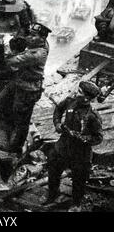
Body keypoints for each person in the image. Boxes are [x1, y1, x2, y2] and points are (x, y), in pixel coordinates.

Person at [0, 22, 51, 156]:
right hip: (19, 81)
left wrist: (6, 44)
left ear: (42, 38)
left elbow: (10, 61)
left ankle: (14, 148)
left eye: (33, 35)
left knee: (21, 121)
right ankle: (7, 128)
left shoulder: (37, 54)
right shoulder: (39, 44)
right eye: (29, 34)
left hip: (28, 89)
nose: (29, 37)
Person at [44, 81, 103, 212]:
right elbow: (58, 109)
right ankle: (52, 196)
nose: (76, 93)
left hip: (80, 152)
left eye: (80, 92)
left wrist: (84, 138)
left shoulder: (93, 116)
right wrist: (57, 124)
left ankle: (76, 204)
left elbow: (98, 137)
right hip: (63, 146)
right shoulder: (71, 100)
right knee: (53, 171)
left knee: (79, 179)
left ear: (87, 98)